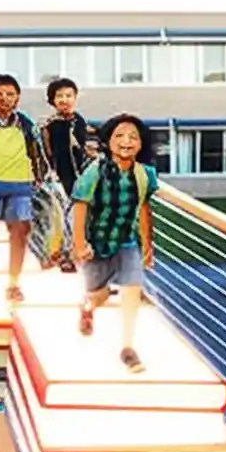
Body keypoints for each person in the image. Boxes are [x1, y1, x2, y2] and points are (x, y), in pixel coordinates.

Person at [70, 113, 159, 374]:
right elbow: (80, 204)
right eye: (119, 136)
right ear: (108, 141)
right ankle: (88, 308)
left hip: (126, 242)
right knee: (98, 295)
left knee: (132, 287)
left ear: (141, 144)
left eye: (133, 137)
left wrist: (147, 245)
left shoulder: (144, 175)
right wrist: (79, 244)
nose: (126, 142)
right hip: (97, 244)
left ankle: (128, 348)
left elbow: (144, 209)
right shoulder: (96, 170)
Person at [0, 73, 48, 303]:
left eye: (10, 94)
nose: (4, 99)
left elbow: (37, 152)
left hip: (21, 185)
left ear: (18, 98)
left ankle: (14, 284)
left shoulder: (26, 123)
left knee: (19, 234)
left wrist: (39, 177)